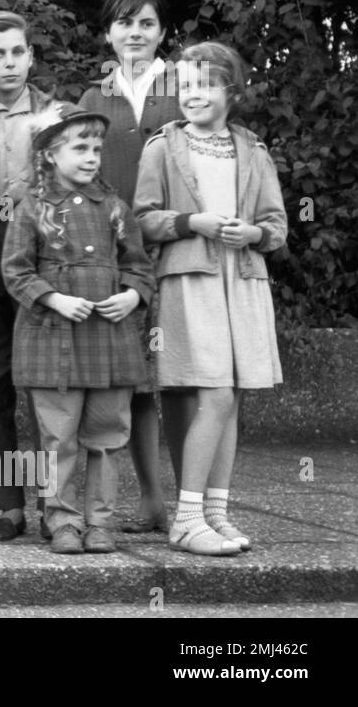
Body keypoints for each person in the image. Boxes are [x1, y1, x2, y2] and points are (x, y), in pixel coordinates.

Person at [134, 42, 286, 556]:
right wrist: (190, 222)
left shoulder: (254, 149)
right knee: (212, 392)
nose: (193, 94)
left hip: (242, 279)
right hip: (189, 278)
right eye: (186, 85)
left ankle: (215, 513)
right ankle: (187, 517)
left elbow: (277, 226)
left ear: (231, 91)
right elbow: (142, 220)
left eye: (205, 84)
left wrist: (254, 235)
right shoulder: (163, 146)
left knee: (231, 396)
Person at [2, 105, 154, 554]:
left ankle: (100, 521)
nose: (91, 157)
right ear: (49, 154)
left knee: (107, 436)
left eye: (97, 149)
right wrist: (54, 298)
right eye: (80, 148)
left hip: (110, 340)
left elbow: (140, 268)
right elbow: (15, 271)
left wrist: (131, 295)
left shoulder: (115, 209)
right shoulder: (30, 210)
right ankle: (63, 521)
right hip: (52, 340)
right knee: (57, 438)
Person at [76, 0, 184, 534]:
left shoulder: (186, 86)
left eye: (146, 23)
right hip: (120, 259)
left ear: (162, 31)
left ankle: (195, 503)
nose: (135, 33)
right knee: (136, 384)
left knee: (186, 379)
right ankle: (150, 500)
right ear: (108, 33)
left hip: (183, 250)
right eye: (124, 23)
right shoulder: (94, 99)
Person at [0, 10, 63, 541]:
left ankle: (55, 504)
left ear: (30, 56)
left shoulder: (56, 118)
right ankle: (6, 507)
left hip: (42, 270)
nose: (9, 63)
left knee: (45, 391)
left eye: (17, 52)